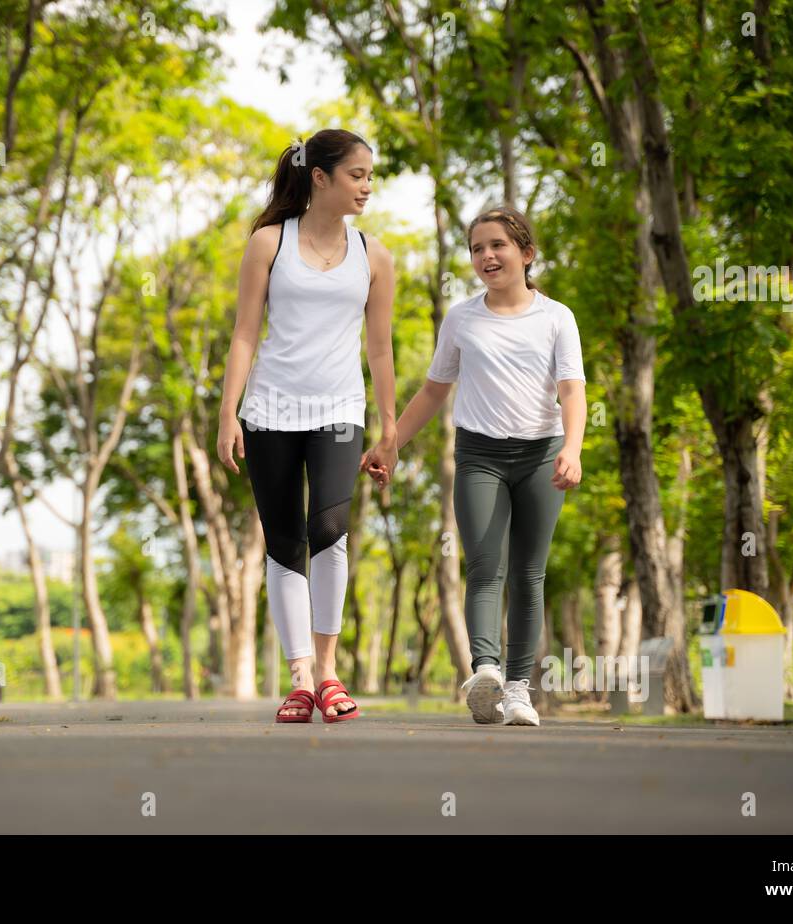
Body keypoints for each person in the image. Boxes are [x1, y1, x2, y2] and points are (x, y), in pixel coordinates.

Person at [364, 204, 586, 726]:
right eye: (477, 248)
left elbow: (572, 391)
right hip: (480, 455)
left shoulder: (556, 317)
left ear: (526, 254)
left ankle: (517, 690)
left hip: (541, 455)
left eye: (498, 246)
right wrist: (391, 443)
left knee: (530, 575)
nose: (486, 256)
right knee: (486, 568)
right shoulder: (462, 317)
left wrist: (572, 449)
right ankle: (485, 672)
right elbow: (435, 390)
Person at [216, 129, 399, 723]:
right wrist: (228, 412)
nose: (367, 186)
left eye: (371, 175)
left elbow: (380, 350)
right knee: (286, 541)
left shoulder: (375, 257)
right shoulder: (268, 243)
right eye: (357, 175)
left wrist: (390, 425)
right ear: (320, 178)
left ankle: (327, 672)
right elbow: (245, 332)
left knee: (330, 529)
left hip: (339, 411)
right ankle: (298, 678)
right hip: (270, 410)